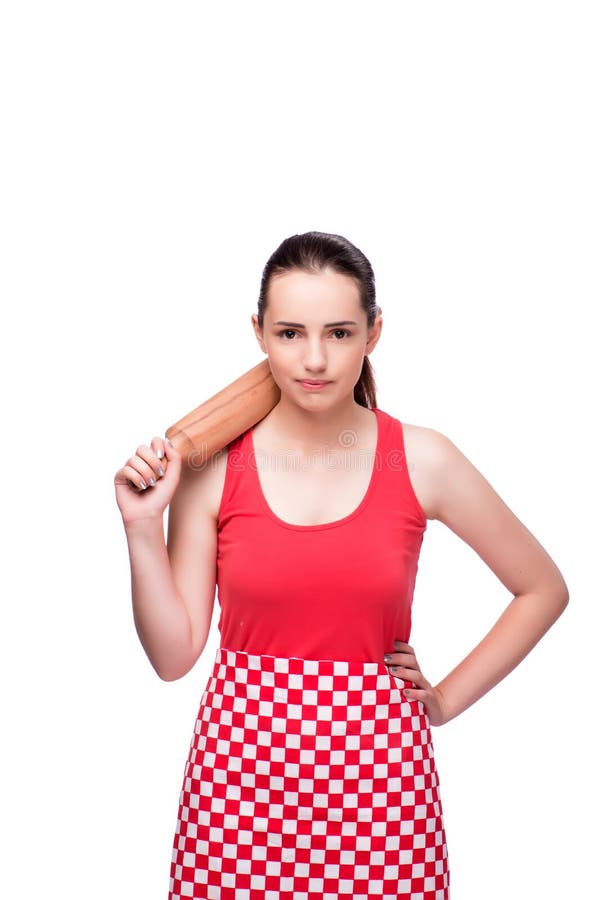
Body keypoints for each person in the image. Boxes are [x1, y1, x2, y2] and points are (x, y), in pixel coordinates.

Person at [114, 231, 569, 900]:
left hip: (383, 789)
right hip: (236, 789)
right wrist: (140, 527)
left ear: (373, 334)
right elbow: (174, 655)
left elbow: (541, 589)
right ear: (259, 334)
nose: (316, 359)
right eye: (291, 333)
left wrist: (442, 701)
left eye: (339, 332)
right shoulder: (210, 469)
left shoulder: (421, 458)